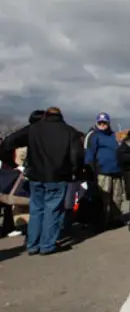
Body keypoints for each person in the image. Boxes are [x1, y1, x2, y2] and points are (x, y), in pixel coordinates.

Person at [2, 107, 82, 255]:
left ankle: (33, 244)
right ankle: (47, 244)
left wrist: (12, 164)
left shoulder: (34, 129)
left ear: (46, 115)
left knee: (36, 210)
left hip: (36, 176)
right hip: (58, 176)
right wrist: (74, 172)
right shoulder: (69, 131)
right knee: (53, 210)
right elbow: (76, 155)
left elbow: (8, 142)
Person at [85, 112, 123, 230]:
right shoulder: (94, 136)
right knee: (104, 198)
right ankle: (103, 221)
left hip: (116, 170)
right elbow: (90, 153)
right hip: (102, 171)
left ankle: (115, 219)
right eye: (100, 122)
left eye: (104, 122)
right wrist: (89, 169)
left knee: (117, 197)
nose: (102, 124)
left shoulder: (114, 135)